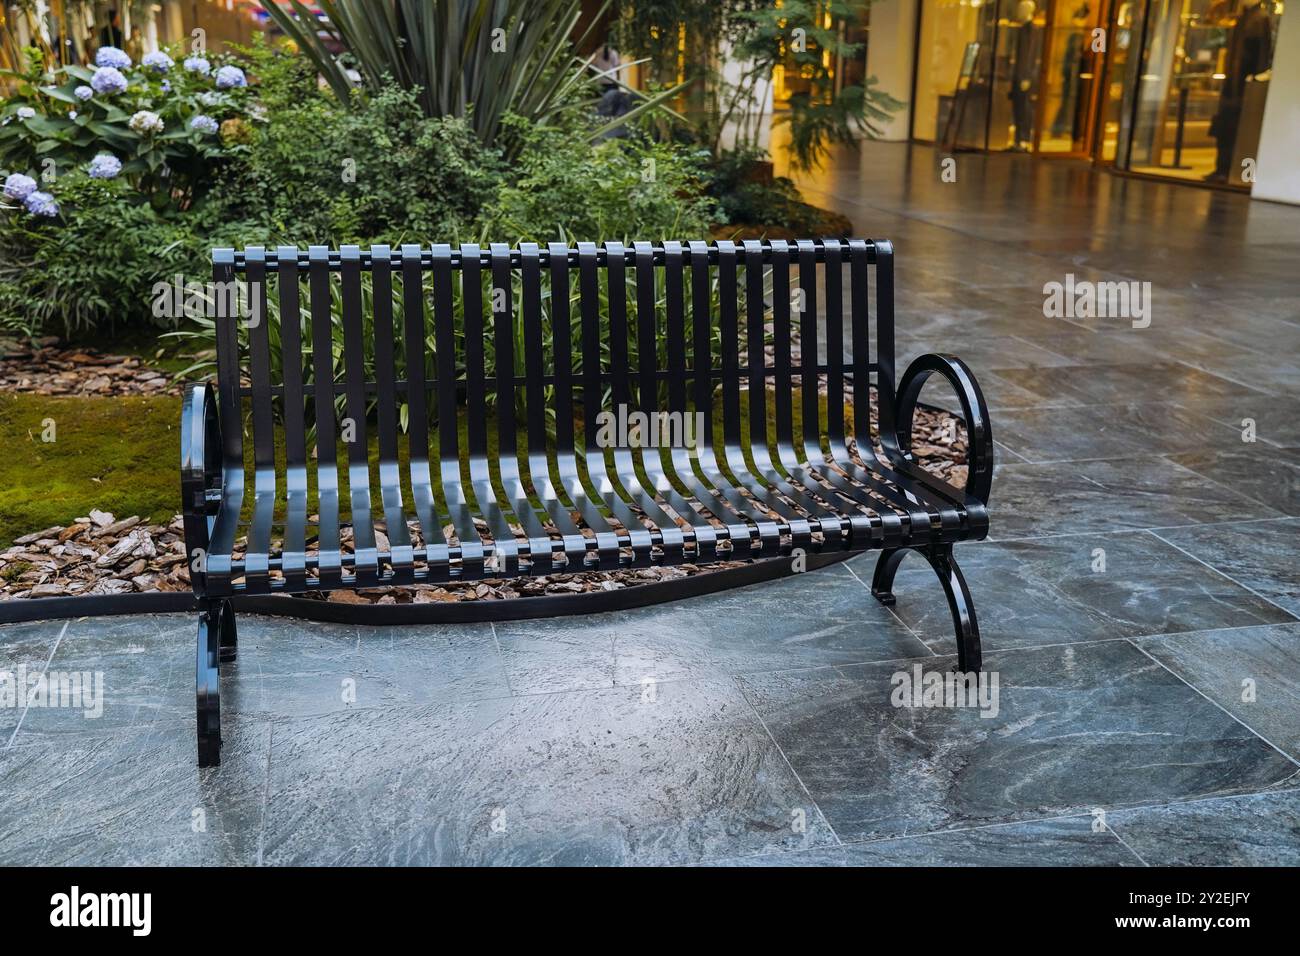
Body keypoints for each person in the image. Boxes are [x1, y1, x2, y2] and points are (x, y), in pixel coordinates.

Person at [1206, 0, 1273, 183]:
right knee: (1226, 128)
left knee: (1235, 130)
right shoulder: (1246, 17)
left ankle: (1229, 170)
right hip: (1235, 85)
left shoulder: (1258, 19)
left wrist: (1252, 83)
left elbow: (1260, 55)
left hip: (1241, 86)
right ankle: (1222, 168)